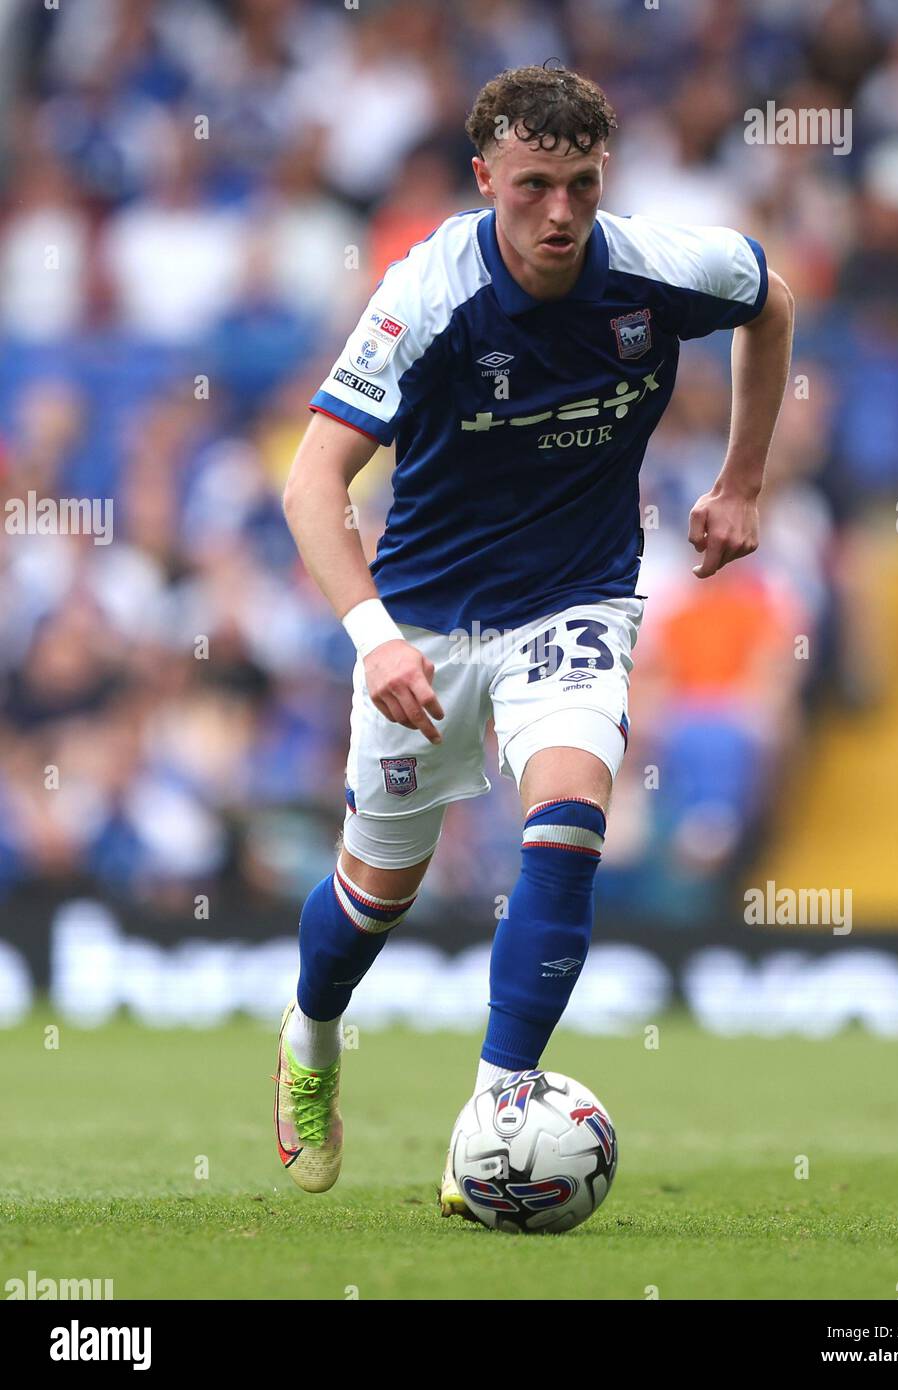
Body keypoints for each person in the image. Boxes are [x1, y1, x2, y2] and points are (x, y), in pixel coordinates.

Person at [274, 63, 794, 1212]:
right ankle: (310, 1036)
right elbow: (313, 483)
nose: (559, 214)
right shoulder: (426, 294)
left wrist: (742, 477)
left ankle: (495, 1113)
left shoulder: (656, 266)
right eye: (532, 188)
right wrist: (373, 637)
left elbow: (771, 299)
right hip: (424, 623)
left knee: (565, 829)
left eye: (581, 185)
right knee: (374, 898)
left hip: (576, 601)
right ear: (484, 181)